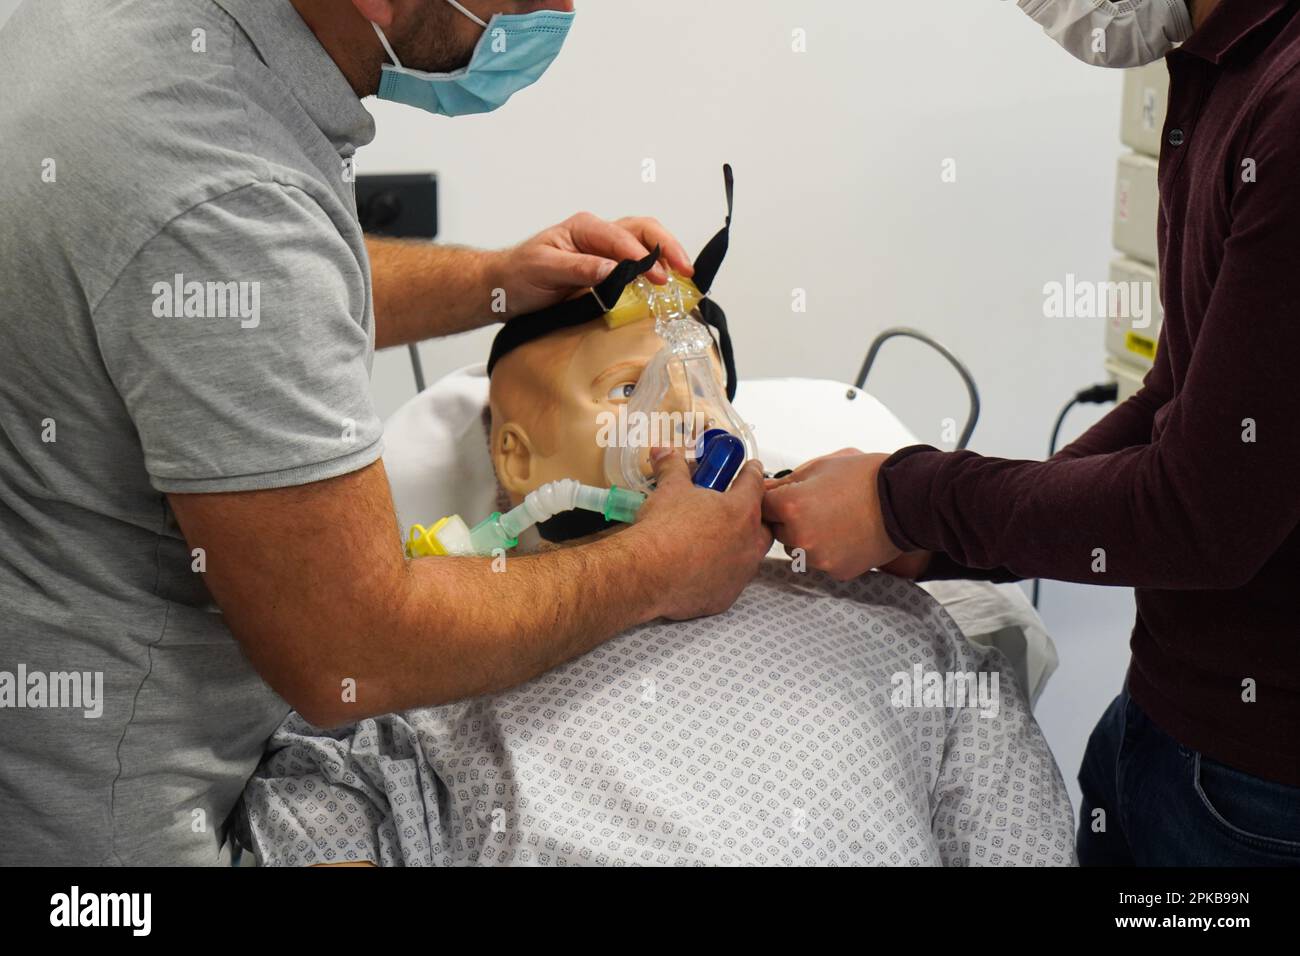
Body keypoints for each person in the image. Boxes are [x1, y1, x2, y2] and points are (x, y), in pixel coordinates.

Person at [0, 0, 768, 865]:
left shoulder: (139, 43)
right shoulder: (219, 183)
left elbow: (250, 281)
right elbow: (347, 648)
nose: (558, 13)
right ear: (510, 453)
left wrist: (494, 280)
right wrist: (662, 564)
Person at [237, 300, 1076, 867]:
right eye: (622, 388)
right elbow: (318, 796)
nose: (680, 415)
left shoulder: (896, 625)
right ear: (518, 458)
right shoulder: (432, 649)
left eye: (702, 386)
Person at [764, 0, 1300, 865]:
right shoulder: (1214, 62)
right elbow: (1176, 394)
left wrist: (910, 499)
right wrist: (933, 539)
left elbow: (1206, 513)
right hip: (1162, 728)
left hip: (1260, 797)